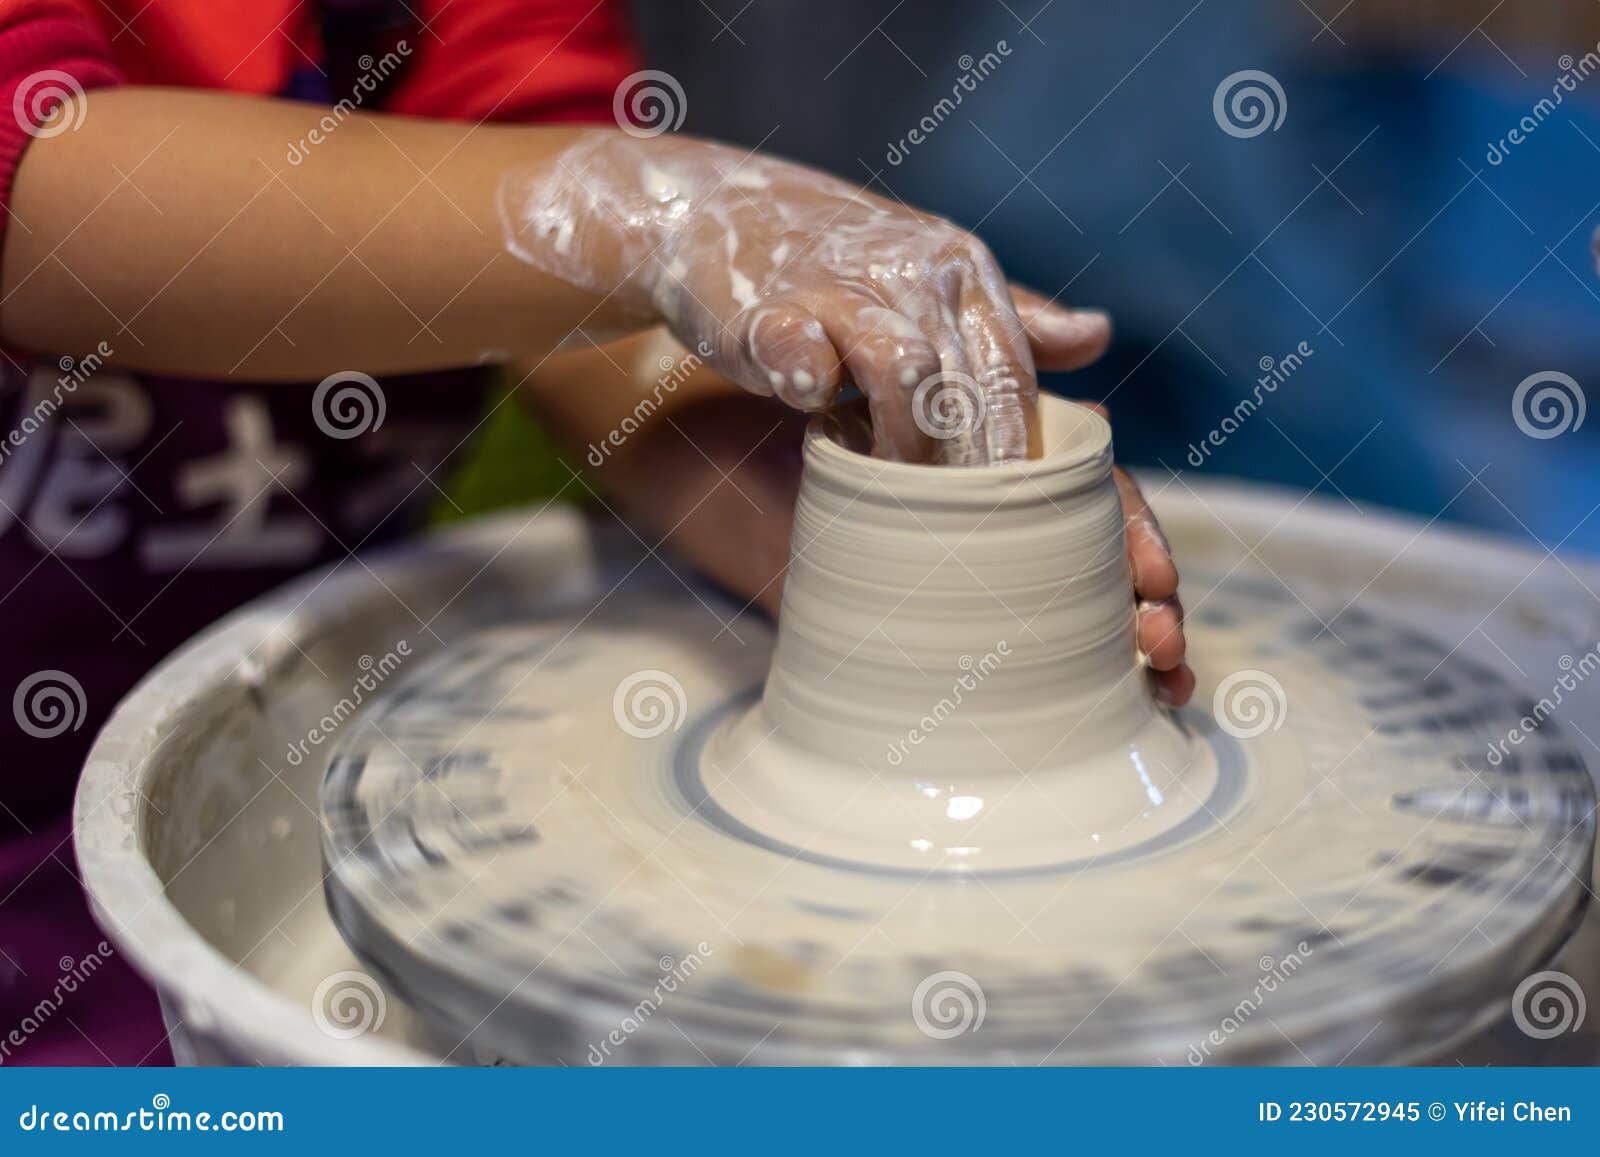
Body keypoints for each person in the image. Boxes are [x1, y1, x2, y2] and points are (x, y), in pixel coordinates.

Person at [0, 0, 1189, 1065]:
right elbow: (43, 205)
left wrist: (854, 545)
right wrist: (654, 210)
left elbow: (566, 302)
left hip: (273, 780)